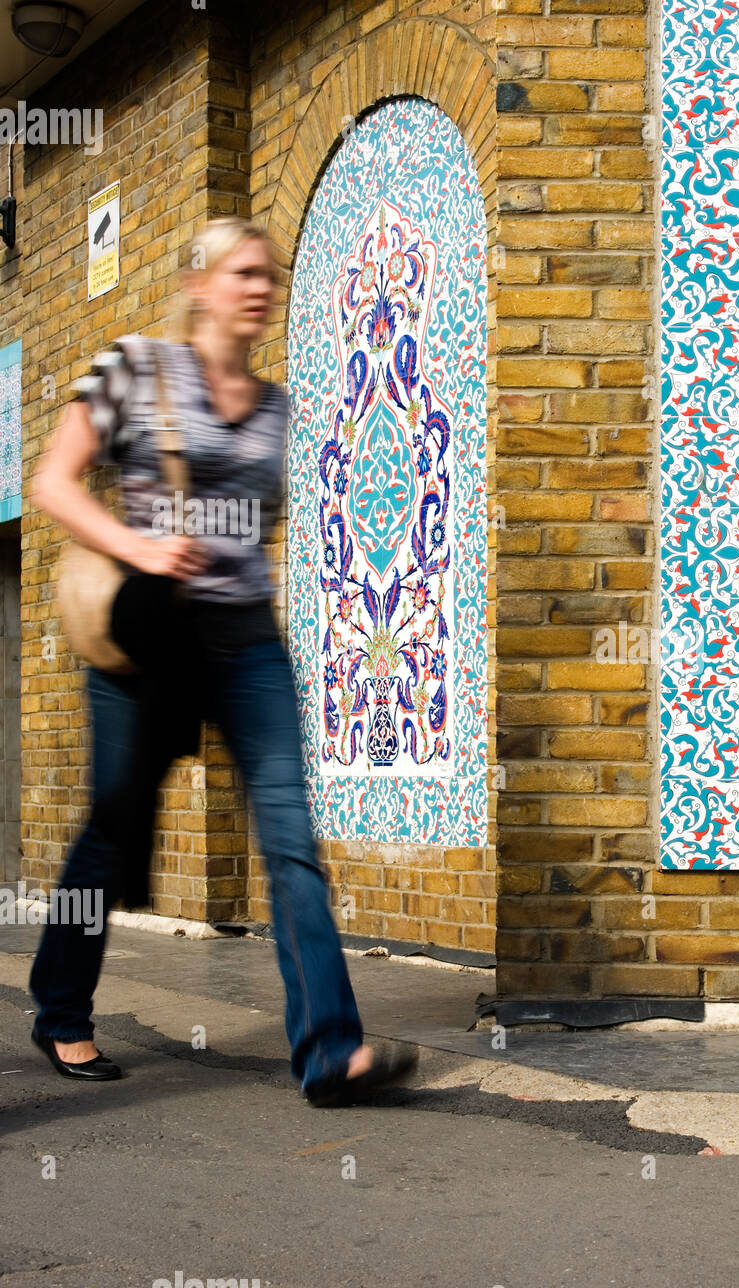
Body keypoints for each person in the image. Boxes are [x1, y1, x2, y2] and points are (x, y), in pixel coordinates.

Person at [27, 216, 416, 1107]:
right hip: (147, 643)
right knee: (112, 829)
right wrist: (142, 545)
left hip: (244, 645)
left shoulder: (277, 407)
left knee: (290, 840)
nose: (260, 286)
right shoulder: (135, 366)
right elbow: (53, 482)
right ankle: (59, 1009)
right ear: (199, 284)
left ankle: (330, 1053)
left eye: (269, 275)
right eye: (243, 272)